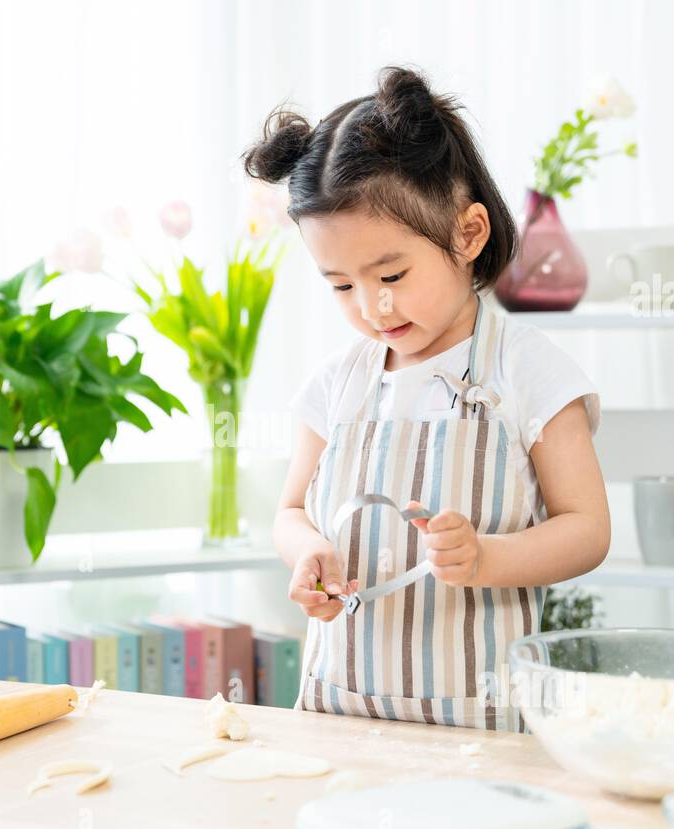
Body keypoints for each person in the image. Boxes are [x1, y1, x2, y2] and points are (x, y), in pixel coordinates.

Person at [246, 66, 610, 731]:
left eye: (391, 274)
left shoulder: (529, 372)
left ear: (467, 235)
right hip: (340, 718)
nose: (371, 305)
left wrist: (487, 558)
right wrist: (306, 552)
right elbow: (290, 509)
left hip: (481, 727)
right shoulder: (336, 384)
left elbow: (588, 529)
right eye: (340, 286)